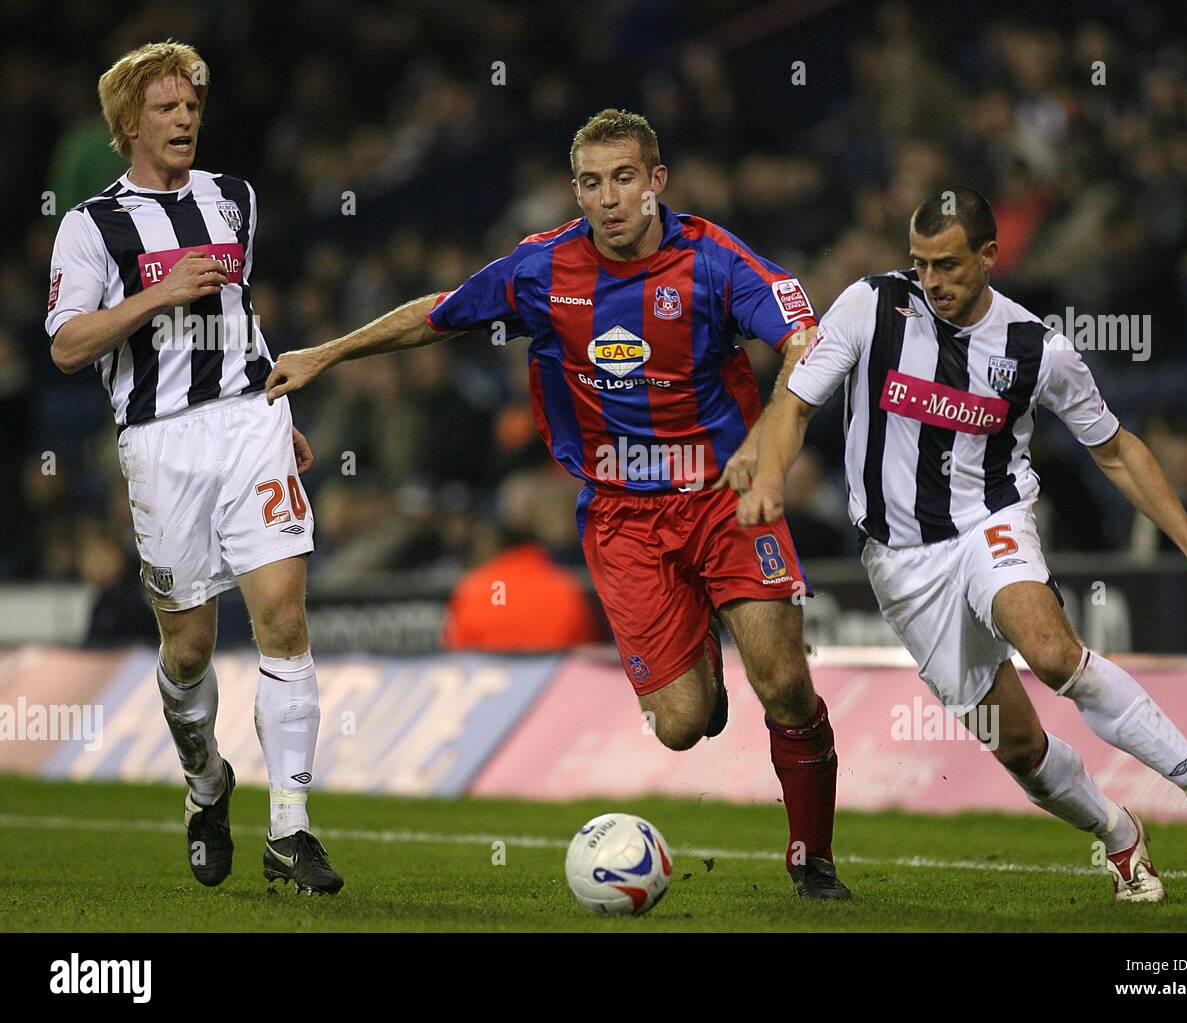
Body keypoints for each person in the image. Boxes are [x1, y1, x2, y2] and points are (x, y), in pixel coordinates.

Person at [266, 109, 848, 899]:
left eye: (624, 179)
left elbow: (804, 340)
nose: (609, 198)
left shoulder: (714, 260)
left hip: (727, 496)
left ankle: (811, 859)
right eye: (591, 182)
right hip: (621, 519)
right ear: (575, 189)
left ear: (656, 182)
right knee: (680, 724)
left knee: (782, 678)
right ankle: (701, 654)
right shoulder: (542, 269)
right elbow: (437, 314)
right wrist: (327, 353)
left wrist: (772, 442)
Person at [738, 186, 1187, 903]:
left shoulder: (1037, 348)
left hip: (989, 522)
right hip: (902, 564)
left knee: (1055, 651)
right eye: (920, 262)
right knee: (1021, 746)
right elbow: (795, 403)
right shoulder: (871, 306)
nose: (932, 280)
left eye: (949, 263)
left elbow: (1117, 450)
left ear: (990, 255)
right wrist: (770, 476)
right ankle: (1118, 833)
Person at [45, 42, 342, 894]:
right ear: (128, 123)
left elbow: (242, 315)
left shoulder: (235, 200)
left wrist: (273, 401)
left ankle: (292, 829)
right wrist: (154, 294)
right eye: (167, 109)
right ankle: (207, 784)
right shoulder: (92, 225)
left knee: (283, 616)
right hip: (160, 441)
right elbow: (67, 345)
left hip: (250, 423)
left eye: (192, 107)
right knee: (189, 646)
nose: (185, 121)